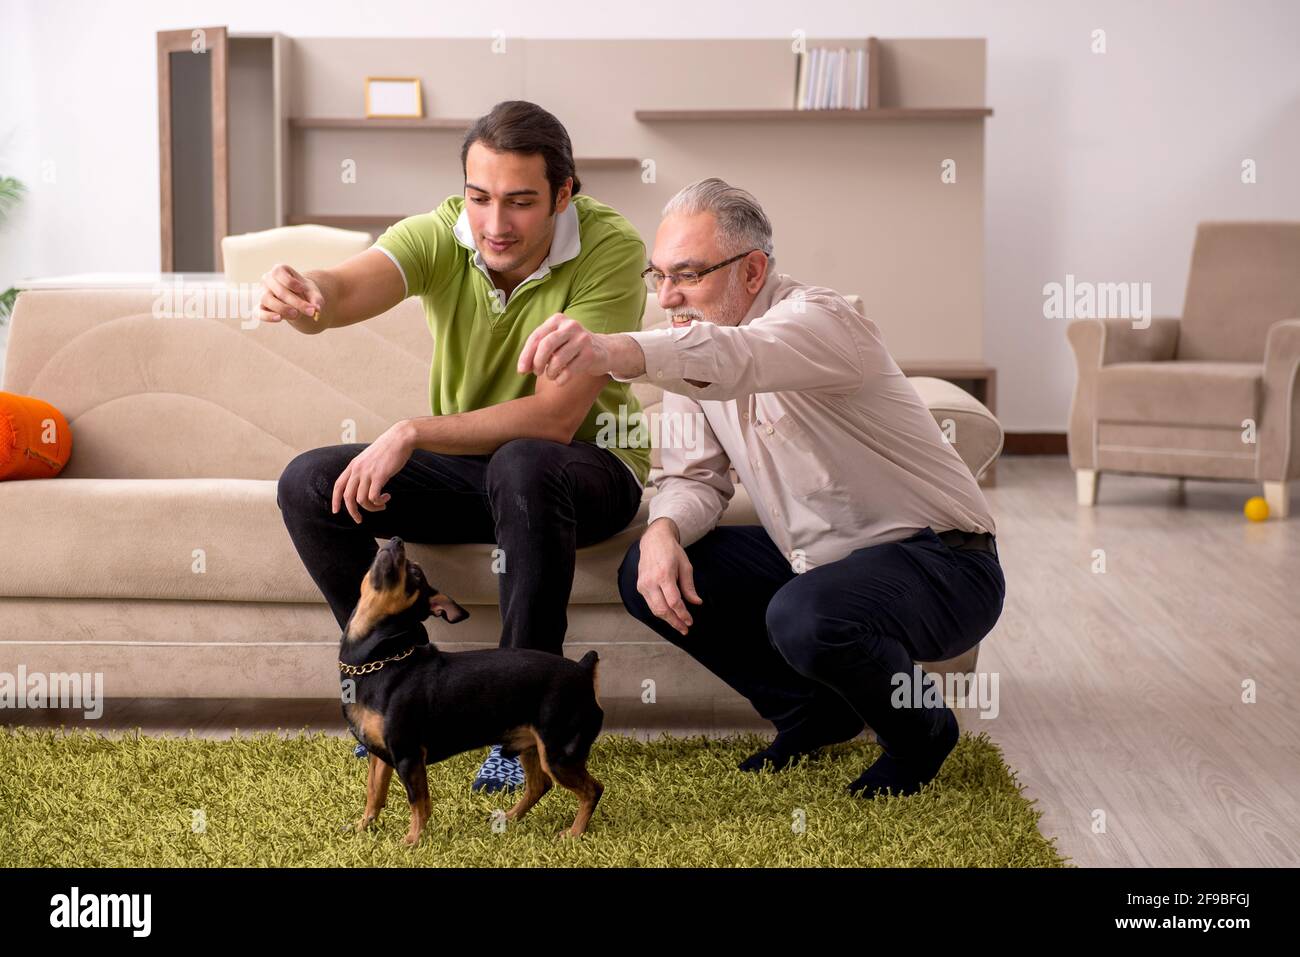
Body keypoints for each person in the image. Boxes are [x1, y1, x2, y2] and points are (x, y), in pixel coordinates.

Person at [517, 178, 1005, 799]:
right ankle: (813, 713)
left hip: (945, 565)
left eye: (688, 275)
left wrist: (611, 349)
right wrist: (663, 531)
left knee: (805, 615)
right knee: (652, 568)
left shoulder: (822, 321)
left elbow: (738, 356)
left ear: (753, 271)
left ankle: (921, 735)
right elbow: (692, 477)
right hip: (822, 565)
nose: (668, 298)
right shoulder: (686, 351)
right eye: (658, 276)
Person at [271, 101, 650, 793]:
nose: (494, 224)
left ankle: (517, 721)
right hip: (481, 480)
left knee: (524, 460)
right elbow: (346, 288)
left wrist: (412, 430)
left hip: (583, 475)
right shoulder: (444, 235)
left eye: (520, 202)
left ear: (565, 195)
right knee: (308, 482)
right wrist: (306, 292)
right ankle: (396, 687)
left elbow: (555, 419)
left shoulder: (611, 249)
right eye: (480, 198)